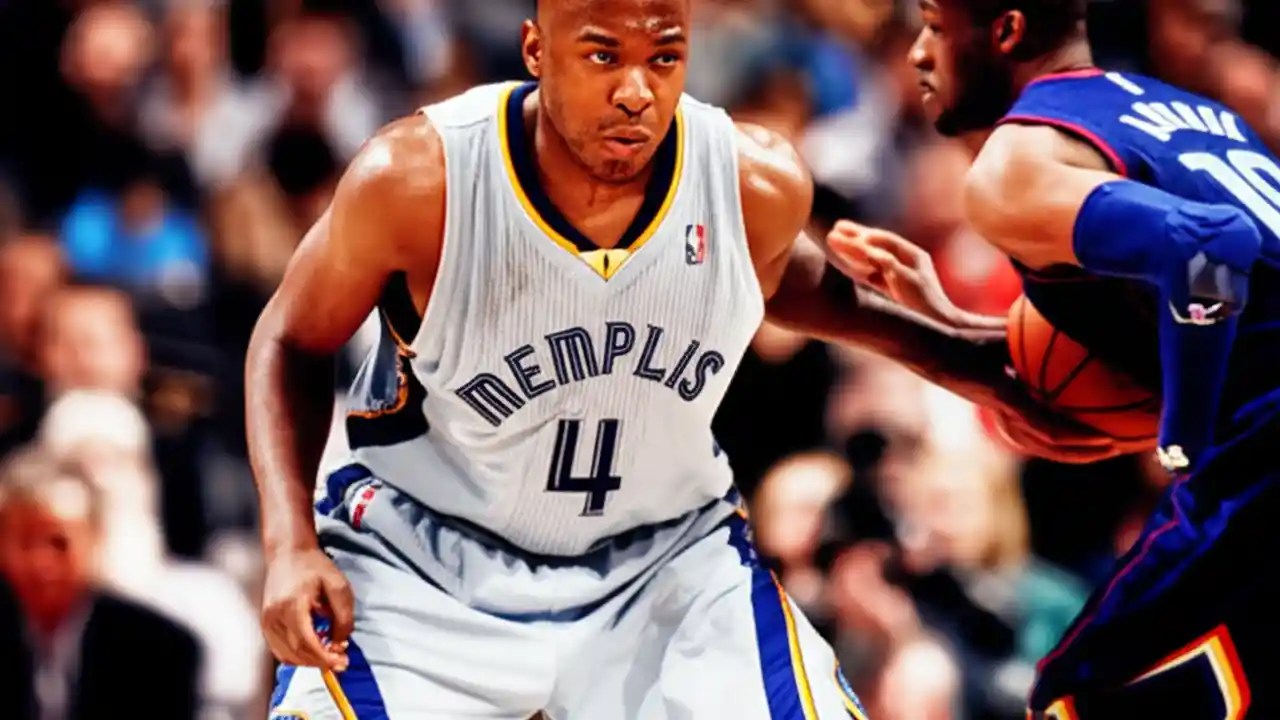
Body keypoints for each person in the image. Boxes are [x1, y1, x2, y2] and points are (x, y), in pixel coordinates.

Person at [247, 1, 1094, 717]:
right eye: (604, 55)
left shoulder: (748, 184)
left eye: (665, 56)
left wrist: (983, 364)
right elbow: (290, 334)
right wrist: (288, 543)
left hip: (661, 565)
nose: (636, 91)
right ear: (537, 50)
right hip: (426, 567)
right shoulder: (420, 177)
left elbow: (809, 294)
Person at [831, 0, 1280, 716]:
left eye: (936, 27)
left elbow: (1208, 248)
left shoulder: (1014, 164)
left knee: (1074, 693)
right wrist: (946, 318)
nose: (918, 52)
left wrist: (1183, 438)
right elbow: (1229, 292)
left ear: (1004, 31)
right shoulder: (1190, 109)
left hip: (1259, 457)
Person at [0, 445, 202, 720]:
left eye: (58, 543)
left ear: (94, 539)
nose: (41, 563)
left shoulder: (159, 649)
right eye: (25, 542)